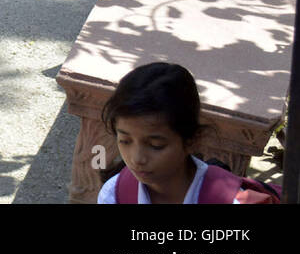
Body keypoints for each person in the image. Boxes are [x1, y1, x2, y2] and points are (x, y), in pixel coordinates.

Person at [98, 63, 234, 203]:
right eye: (125, 141)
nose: (137, 159)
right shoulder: (113, 195)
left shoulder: (228, 200)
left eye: (156, 145)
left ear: (192, 140)